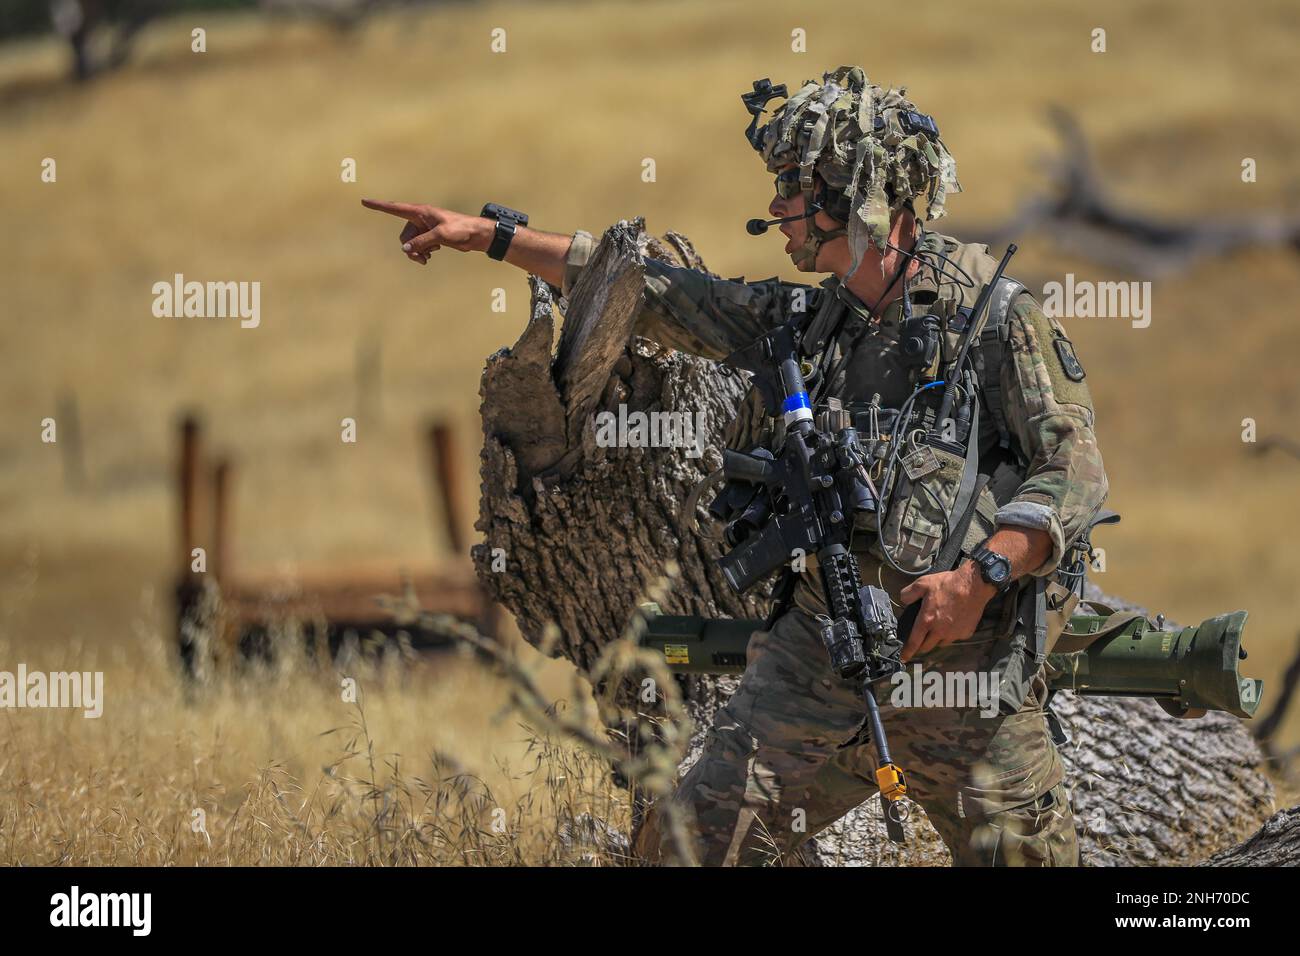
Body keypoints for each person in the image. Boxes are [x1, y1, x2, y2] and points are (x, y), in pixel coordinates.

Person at [363, 65, 1108, 866]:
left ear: (855, 194)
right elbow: (651, 292)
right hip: (822, 652)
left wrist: (979, 579)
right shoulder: (811, 322)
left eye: (794, 187)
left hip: (963, 672)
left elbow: (1074, 469)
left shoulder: (996, 320)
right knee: (685, 848)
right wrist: (490, 237)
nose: (777, 208)